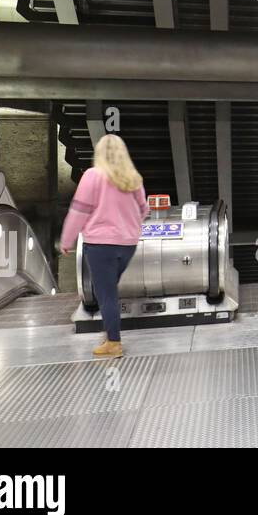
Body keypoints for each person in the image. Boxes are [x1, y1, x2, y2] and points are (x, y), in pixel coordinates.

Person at [60, 134, 149, 357]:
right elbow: (144, 210)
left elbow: (79, 210)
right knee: (109, 291)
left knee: (106, 294)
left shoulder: (92, 176)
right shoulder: (132, 178)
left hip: (100, 245)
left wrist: (67, 239)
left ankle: (113, 343)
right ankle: (110, 332)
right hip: (127, 245)